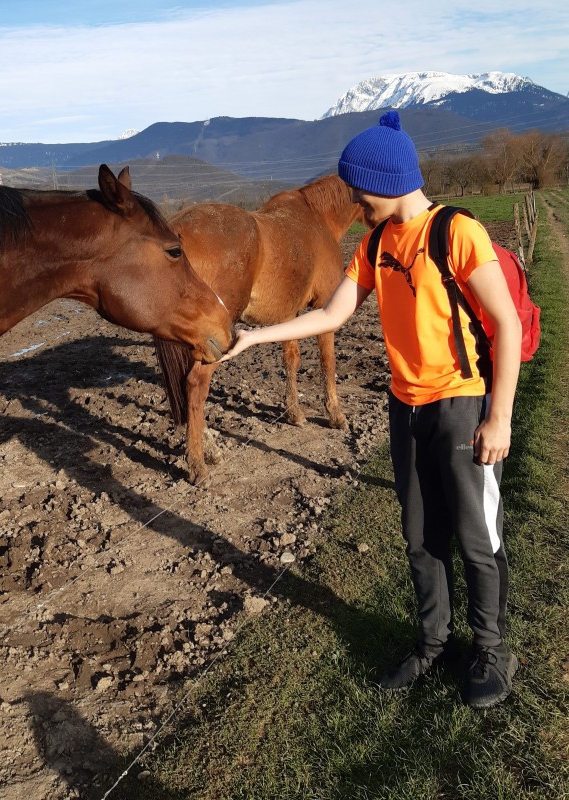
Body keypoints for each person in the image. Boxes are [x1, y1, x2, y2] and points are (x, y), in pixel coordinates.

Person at [219, 110, 522, 709]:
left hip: (463, 403)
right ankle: (434, 642)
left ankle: (491, 648)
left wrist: (500, 416)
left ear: (387, 181)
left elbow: (506, 324)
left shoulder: (457, 233)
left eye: (360, 193)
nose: (355, 204)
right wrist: (255, 336)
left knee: (475, 534)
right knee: (420, 536)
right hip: (405, 409)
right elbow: (333, 314)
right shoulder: (375, 244)